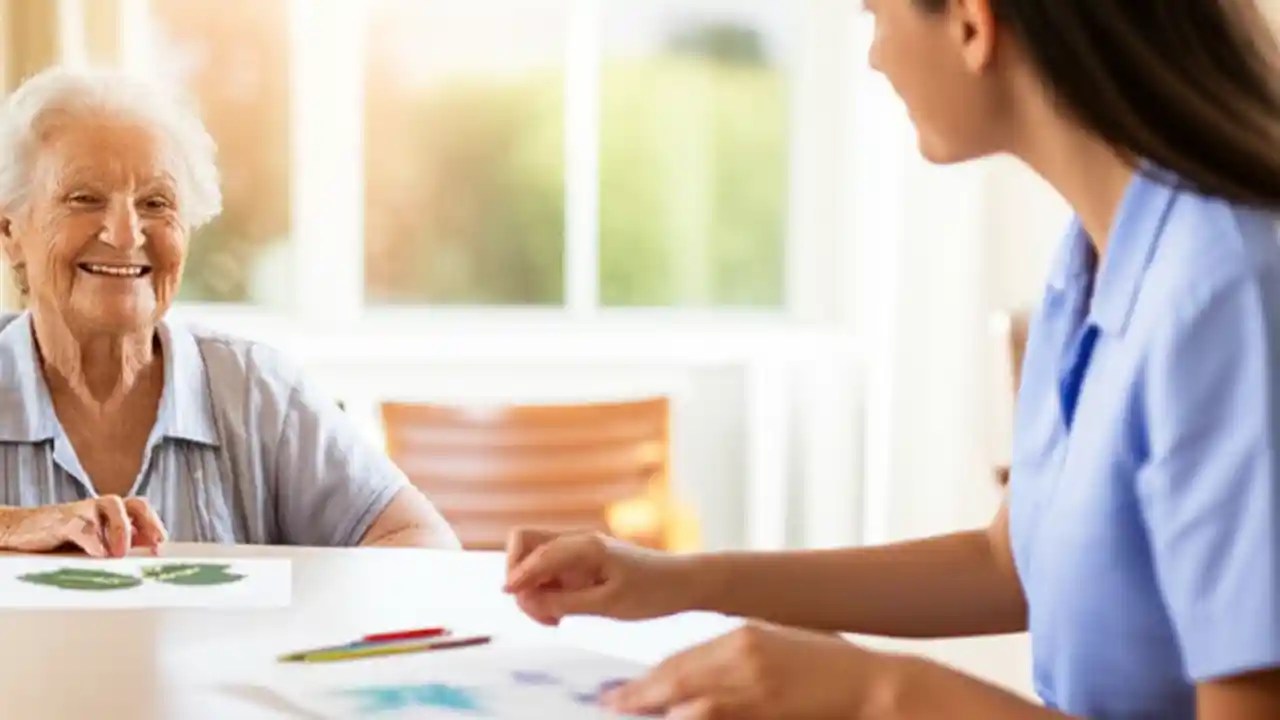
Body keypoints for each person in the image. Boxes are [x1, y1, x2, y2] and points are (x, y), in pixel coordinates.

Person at [505, 0, 1280, 718]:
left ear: (973, 25)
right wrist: (674, 582)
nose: (874, 57)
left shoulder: (1226, 290)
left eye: (876, 12)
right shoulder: (1094, 255)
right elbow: (1005, 566)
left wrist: (878, 691)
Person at [0, 66, 459, 557]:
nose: (126, 233)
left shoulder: (258, 393)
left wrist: (299, 620)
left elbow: (422, 545)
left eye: (156, 202)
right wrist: (12, 526)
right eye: (84, 198)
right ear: (10, 232)